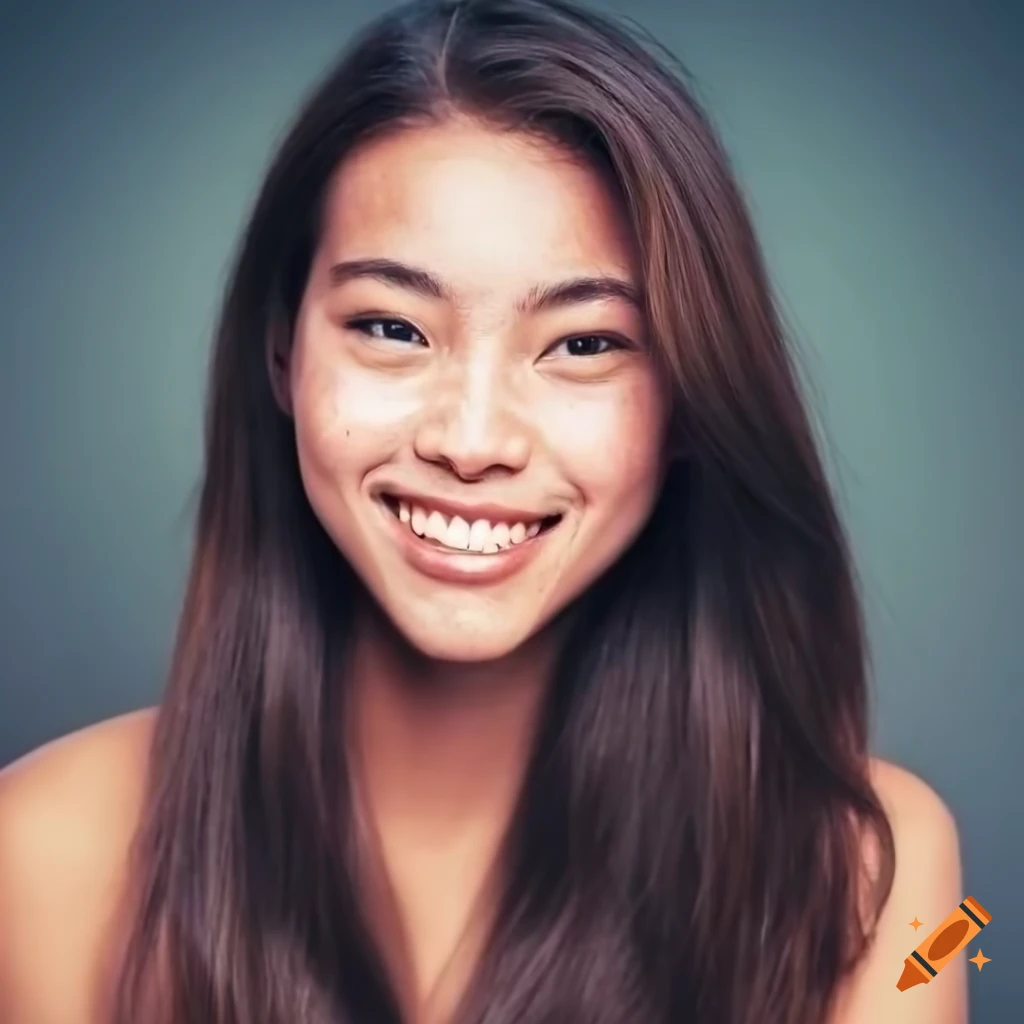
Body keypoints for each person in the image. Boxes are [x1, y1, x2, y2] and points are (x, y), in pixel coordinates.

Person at [0, 0, 964, 1021]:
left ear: (689, 395)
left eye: (584, 343)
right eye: (391, 326)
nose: (471, 439)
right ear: (283, 349)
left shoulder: (886, 884)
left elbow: (948, 956)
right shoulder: (37, 850)